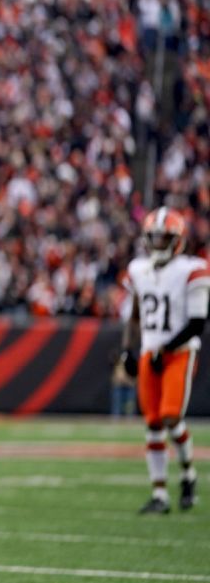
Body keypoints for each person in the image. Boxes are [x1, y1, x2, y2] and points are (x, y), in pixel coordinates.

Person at [119, 207, 207, 514]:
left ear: (178, 240)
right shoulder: (138, 270)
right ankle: (159, 494)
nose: (158, 244)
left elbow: (198, 322)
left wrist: (165, 348)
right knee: (153, 422)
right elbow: (133, 315)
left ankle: (187, 474)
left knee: (171, 417)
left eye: (164, 238)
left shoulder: (191, 269)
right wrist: (128, 350)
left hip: (179, 352)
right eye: (154, 238)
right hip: (149, 350)